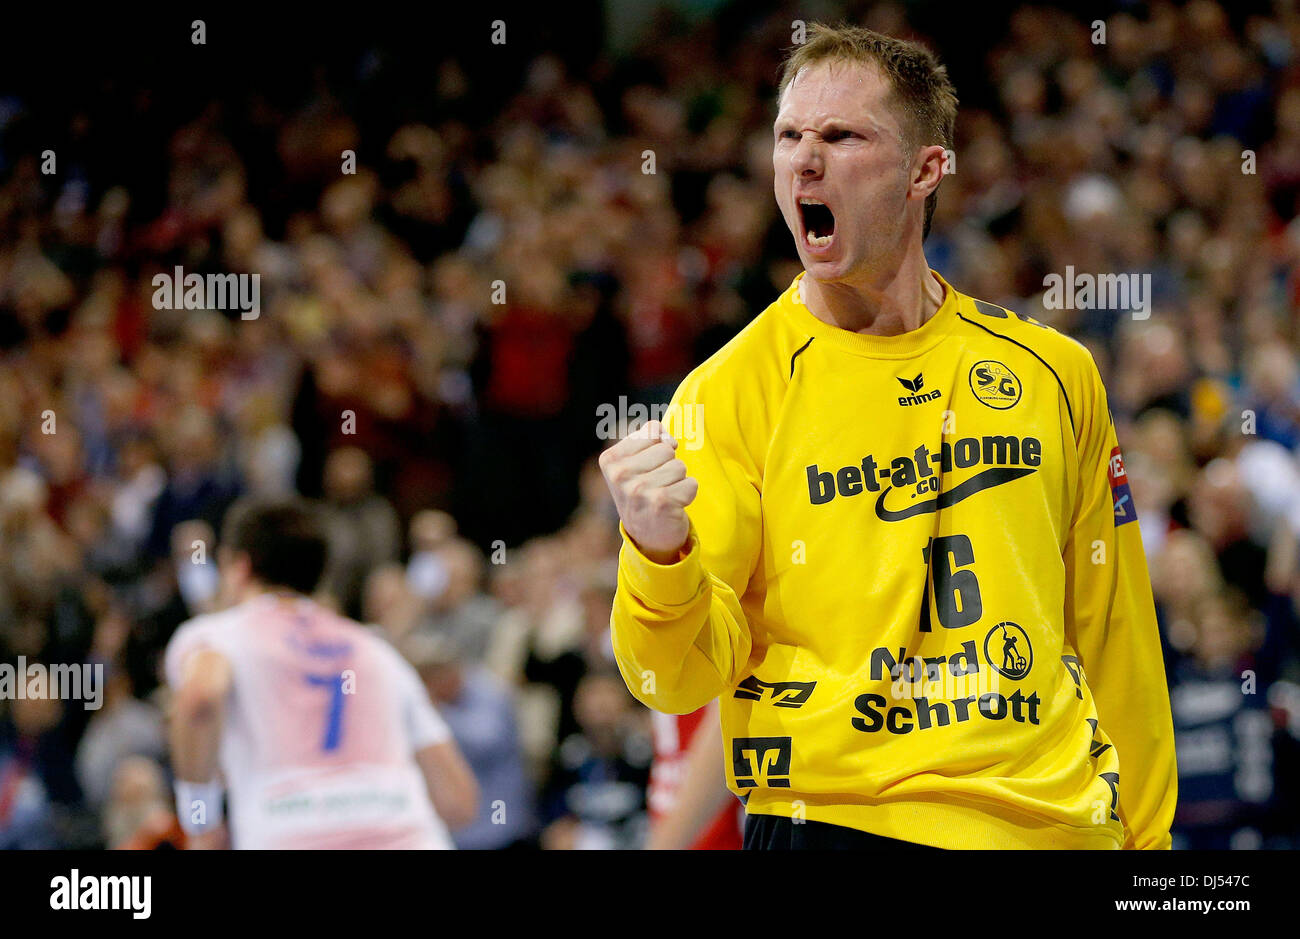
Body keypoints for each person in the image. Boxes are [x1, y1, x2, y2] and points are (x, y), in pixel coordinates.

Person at [602, 24, 1177, 850]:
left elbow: (1116, 633)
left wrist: (1151, 850)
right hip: (834, 821)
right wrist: (658, 557)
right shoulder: (727, 392)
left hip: (1050, 826)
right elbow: (676, 678)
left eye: (840, 136)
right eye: (788, 136)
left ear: (925, 169)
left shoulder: (1055, 374)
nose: (804, 160)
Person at [164, 497, 478, 849]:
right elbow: (459, 802)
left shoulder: (219, 636)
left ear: (239, 567)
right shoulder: (376, 650)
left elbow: (200, 698)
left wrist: (199, 818)